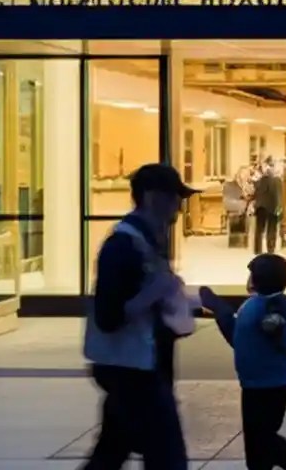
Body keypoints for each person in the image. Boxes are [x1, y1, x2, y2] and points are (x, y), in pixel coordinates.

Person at [82, 163, 198, 469]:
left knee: (111, 452)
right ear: (151, 198)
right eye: (175, 197)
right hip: (133, 371)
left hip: (140, 366)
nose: (179, 206)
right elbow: (108, 316)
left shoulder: (148, 242)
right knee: (167, 458)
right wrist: (156, 292)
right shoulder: (122, 246)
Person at [199, 256, 286, 470]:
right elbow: (238, 338)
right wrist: (219, 310)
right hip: (252, 383)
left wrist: (278, 332)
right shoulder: (252, 306)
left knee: (261, 439)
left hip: (271, 384)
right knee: (257, 441)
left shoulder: (280, 307)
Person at [253, 159, 283, 254]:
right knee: (271, 229)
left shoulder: (259, 181)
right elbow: (278, 196)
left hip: (260, 207)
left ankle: (257, 249)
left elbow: (255, 192)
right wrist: (279, 208)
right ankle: (270, 249)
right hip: (272, 207)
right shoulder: (277, 181)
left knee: (259, 229)